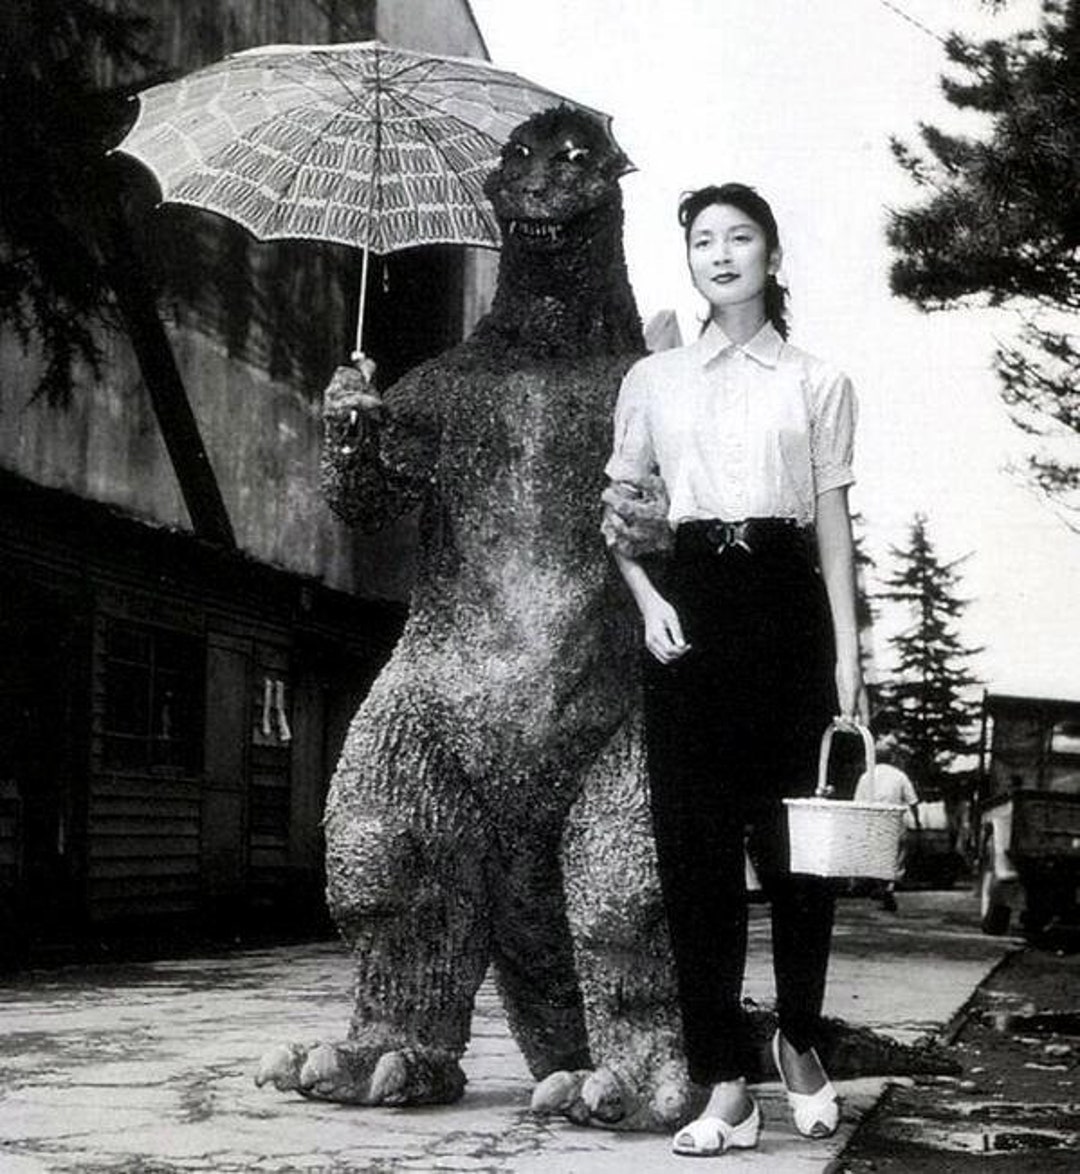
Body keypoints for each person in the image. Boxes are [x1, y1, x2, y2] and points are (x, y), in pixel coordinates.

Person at [601, 183, 869, 1157]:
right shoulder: (653, 379)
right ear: (692, 259)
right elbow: (621, 513)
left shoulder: (819, 381)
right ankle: (726, 1082)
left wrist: (849, 652)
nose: (720, 253)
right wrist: (649, 598)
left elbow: (835, 527)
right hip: (689, 619)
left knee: (801, 853)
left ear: (771, 252)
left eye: (739, 236)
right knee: (695, 857)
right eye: (703, 240)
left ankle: (799, 1041)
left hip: (789, 615)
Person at [855, 746, 919, 911]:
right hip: (895, 819)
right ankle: (890, 885)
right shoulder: (899, 775)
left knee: (877, 855)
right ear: (891, 758)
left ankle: (882, 886)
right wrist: (917, 822)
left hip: (874, 820)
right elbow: (912, 801)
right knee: (897, 852)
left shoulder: (866, 776)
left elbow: (857, 804)